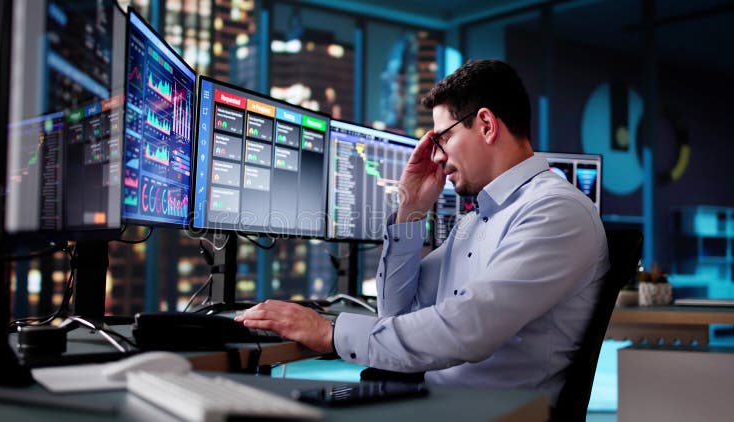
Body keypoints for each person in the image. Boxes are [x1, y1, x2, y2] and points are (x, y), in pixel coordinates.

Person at [235, 59, 609, 400]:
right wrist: (411, 209)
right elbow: (396, 313)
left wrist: (329, 334)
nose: (438, 156)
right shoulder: (478, 218)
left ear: (486, 125)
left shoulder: (554, 211)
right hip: (440, 402)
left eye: (441, 138)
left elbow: (468, 330)